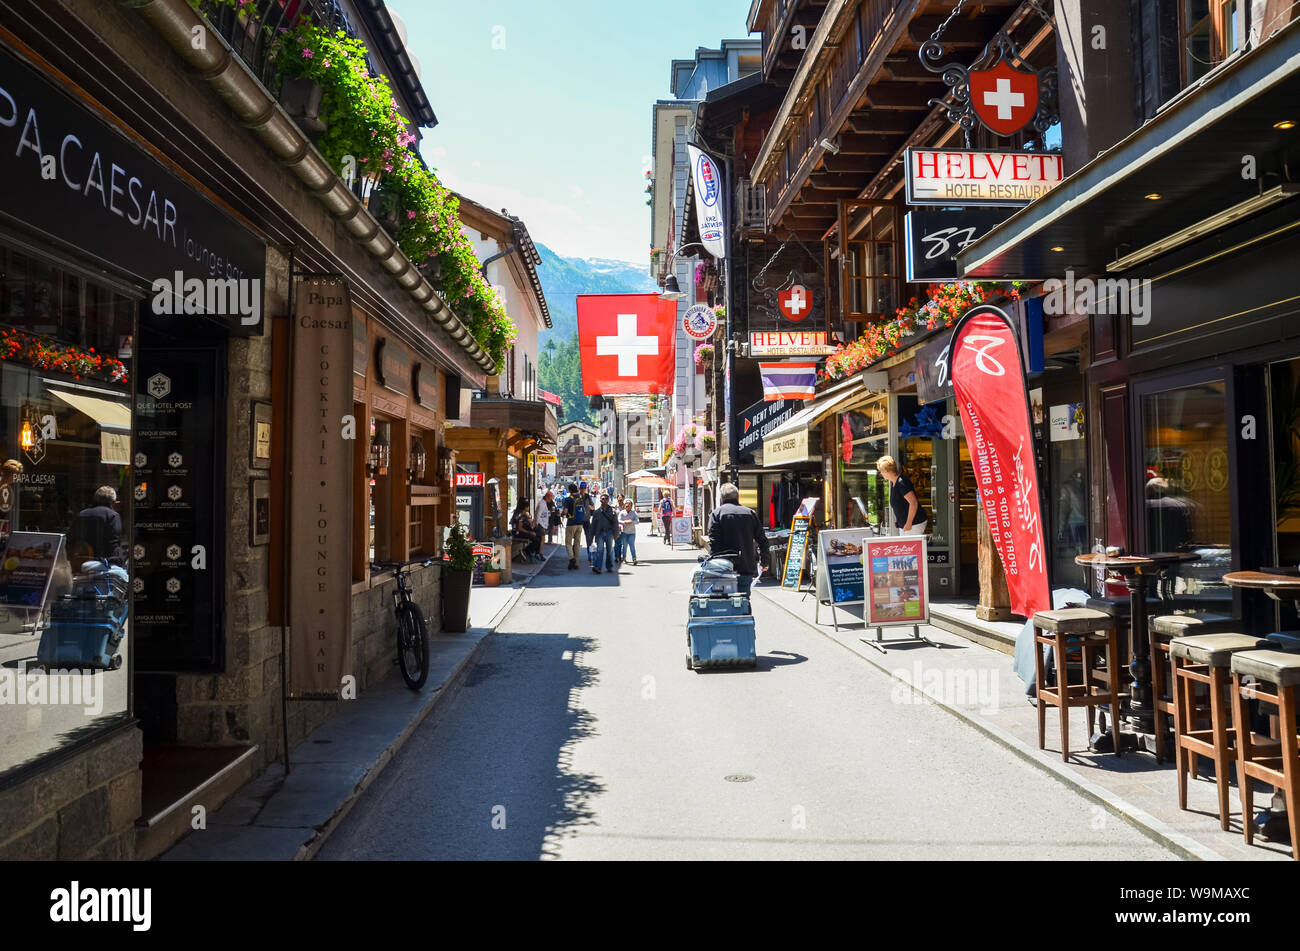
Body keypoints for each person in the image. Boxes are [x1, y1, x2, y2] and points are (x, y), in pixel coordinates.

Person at [707, 482, 768, 595]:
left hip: (722, 568)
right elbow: (762, 540)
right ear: (738, 497)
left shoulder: (716, 514)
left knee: (723, 602)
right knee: (743, 601)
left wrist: (712, 563)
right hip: (745, 566)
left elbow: (713, 541)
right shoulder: (750, 513)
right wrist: (764, 561)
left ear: (721, 499)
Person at [69, 485, 125, 566]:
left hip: (82, 562)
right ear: (113, 502)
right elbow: (114, 541)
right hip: (105, 563)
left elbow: (71, 538)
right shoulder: (113, 515)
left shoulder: (82, 514)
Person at [876, 456, 928, 536]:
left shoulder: (901, 482)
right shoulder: (893, 483)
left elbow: (913, 503)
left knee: (911, 547)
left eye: (881, 471)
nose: (881, 474)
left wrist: (908, 523)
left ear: (887, 471)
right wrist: (898, 521)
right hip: (905, 525)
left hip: (914, 524)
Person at [562, 483, 588, 571]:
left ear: (569, 490)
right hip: (580, 523)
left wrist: (561, 514)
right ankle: (576, 563)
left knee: (568, 543)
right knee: (577, 544)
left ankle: (571, 558)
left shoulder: (568, 499)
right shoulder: (580, 498)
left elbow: (565, 511)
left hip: (571, 523)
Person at [592, 494, 619, 574]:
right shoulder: (596, 512)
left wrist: (616, 533)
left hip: (609, 532)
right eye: (602, 499)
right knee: (599, 550)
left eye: (606, 499)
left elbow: (615, 523)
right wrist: (592, 535)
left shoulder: (612, 511)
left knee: (609, 550)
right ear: (600, 500)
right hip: (600, 533)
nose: (604, 500)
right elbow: (593, 524)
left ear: (608, 500)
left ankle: (609, 566)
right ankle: (598, 567)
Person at [618, 499, 639, 566]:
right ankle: (624, 558)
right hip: (624, 532)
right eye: (626, 503)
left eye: (629, 504)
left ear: (631, 505)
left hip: (632, 533)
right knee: (624, 546)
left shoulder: (634, 513)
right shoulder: (622, 512)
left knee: (632, 545)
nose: (627, 505)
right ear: (624, 505)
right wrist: (624, 522)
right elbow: (618, 520)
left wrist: (631, 522)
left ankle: (634, 558)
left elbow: (637, 521)